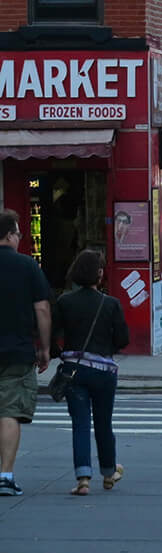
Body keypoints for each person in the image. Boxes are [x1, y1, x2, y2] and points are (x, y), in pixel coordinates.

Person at [51, 249, 129, 495]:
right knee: (104, 423)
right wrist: (108, 349)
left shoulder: (65, 301)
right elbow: (123, 338)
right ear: (99, 274)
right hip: (104, 372)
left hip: (75, 370)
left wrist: (56, 352)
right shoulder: (111, 304)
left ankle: (83, 477)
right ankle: (108, 472)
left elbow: (53, 332)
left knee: (81, 424)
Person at [0, 209, 50, 497]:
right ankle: (5, 476)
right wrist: (43, 349)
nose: (20, 237)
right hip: (16, 352)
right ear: (9, 234)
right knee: (8, 412)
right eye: (18, 233)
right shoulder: (27, 267)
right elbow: (42, 308)